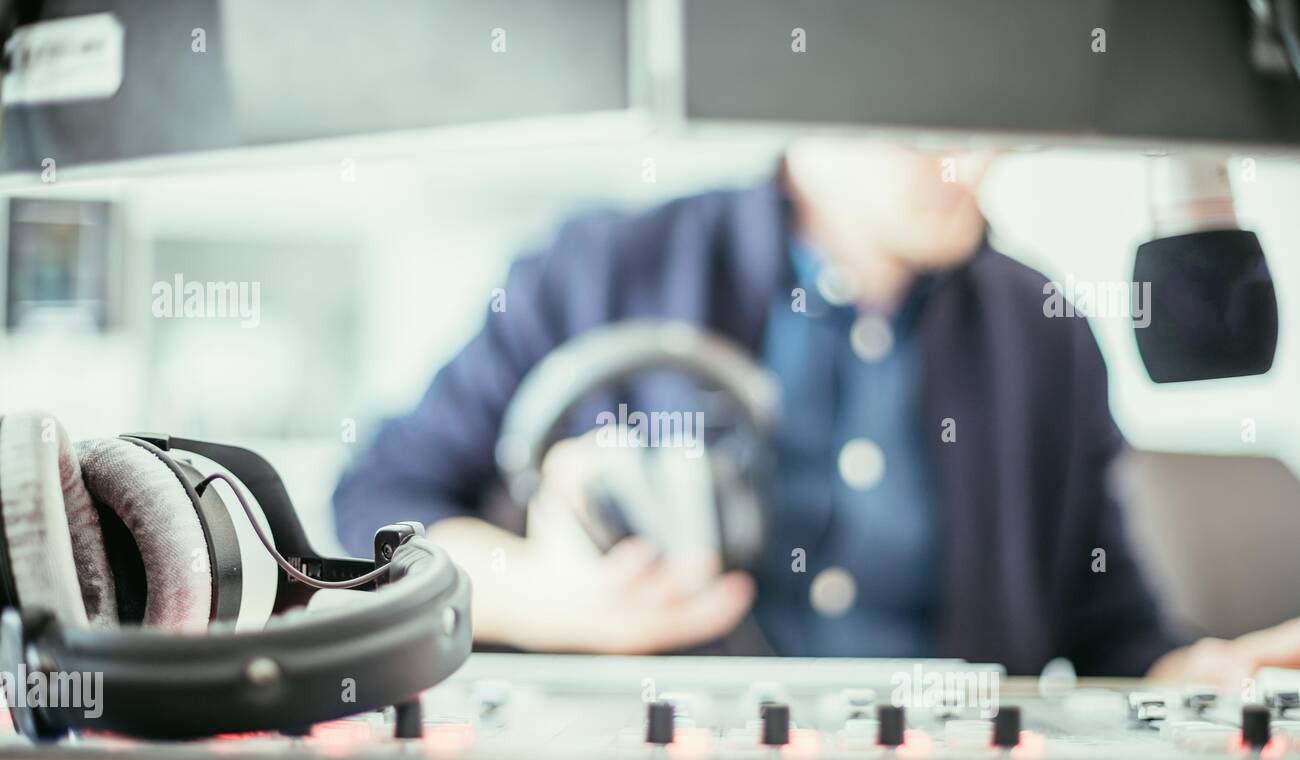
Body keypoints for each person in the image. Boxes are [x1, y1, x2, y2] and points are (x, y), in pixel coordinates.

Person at [332, 137, 1300, 680]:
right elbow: (375, 506)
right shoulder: (599, 267)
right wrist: (545, 598)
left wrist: (1198, 680)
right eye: (928, 123)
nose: (972, 160)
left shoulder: (1044, 328)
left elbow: (1109, 626)